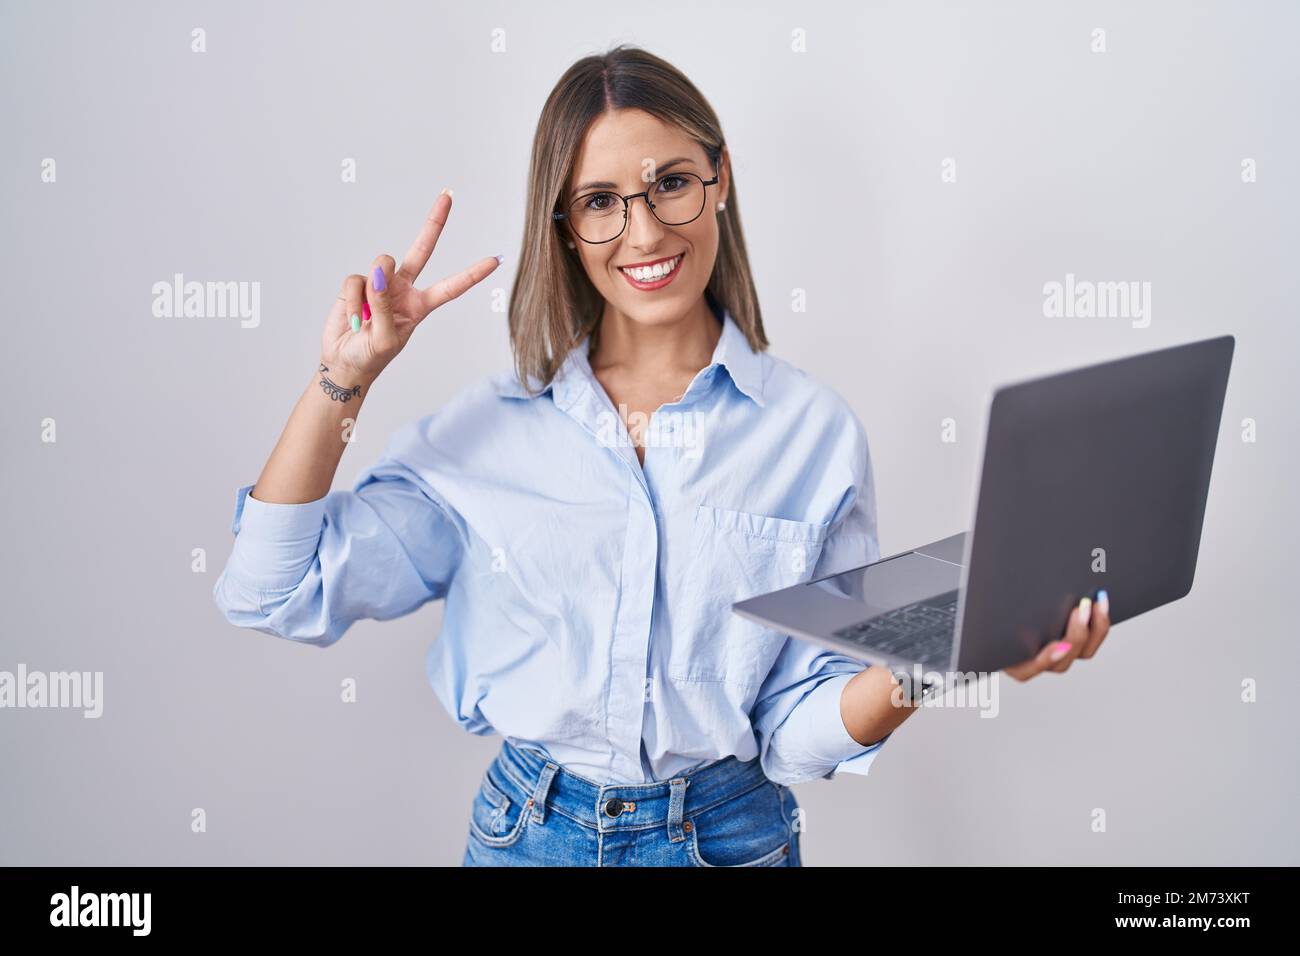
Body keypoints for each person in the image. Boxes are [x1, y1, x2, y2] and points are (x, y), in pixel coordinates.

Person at [213, 45, 1111, 867]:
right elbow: (269, 588)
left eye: (670, 183)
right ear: (565, 228)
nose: (643, 235)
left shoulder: (812, 431)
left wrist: (938, 655)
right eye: (601, 202)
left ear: (721, 182)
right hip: (529, 839)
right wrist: (344, 378)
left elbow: (794, 732)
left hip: (733, 840)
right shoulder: (489, 432)